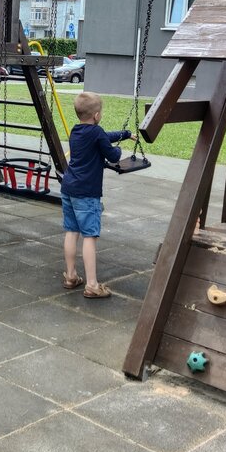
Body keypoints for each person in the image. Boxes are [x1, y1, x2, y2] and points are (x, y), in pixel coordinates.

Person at [60, 91, 133, 299]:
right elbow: (112, 154)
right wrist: (118, 150)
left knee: (71, 231)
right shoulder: (97, 133)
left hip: (69, 188)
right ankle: (92, 284)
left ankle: (71, 276)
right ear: (97, 115)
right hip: (86, 193)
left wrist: (125, 134)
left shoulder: (76, 130)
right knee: (90, 236)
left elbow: (102, 136)